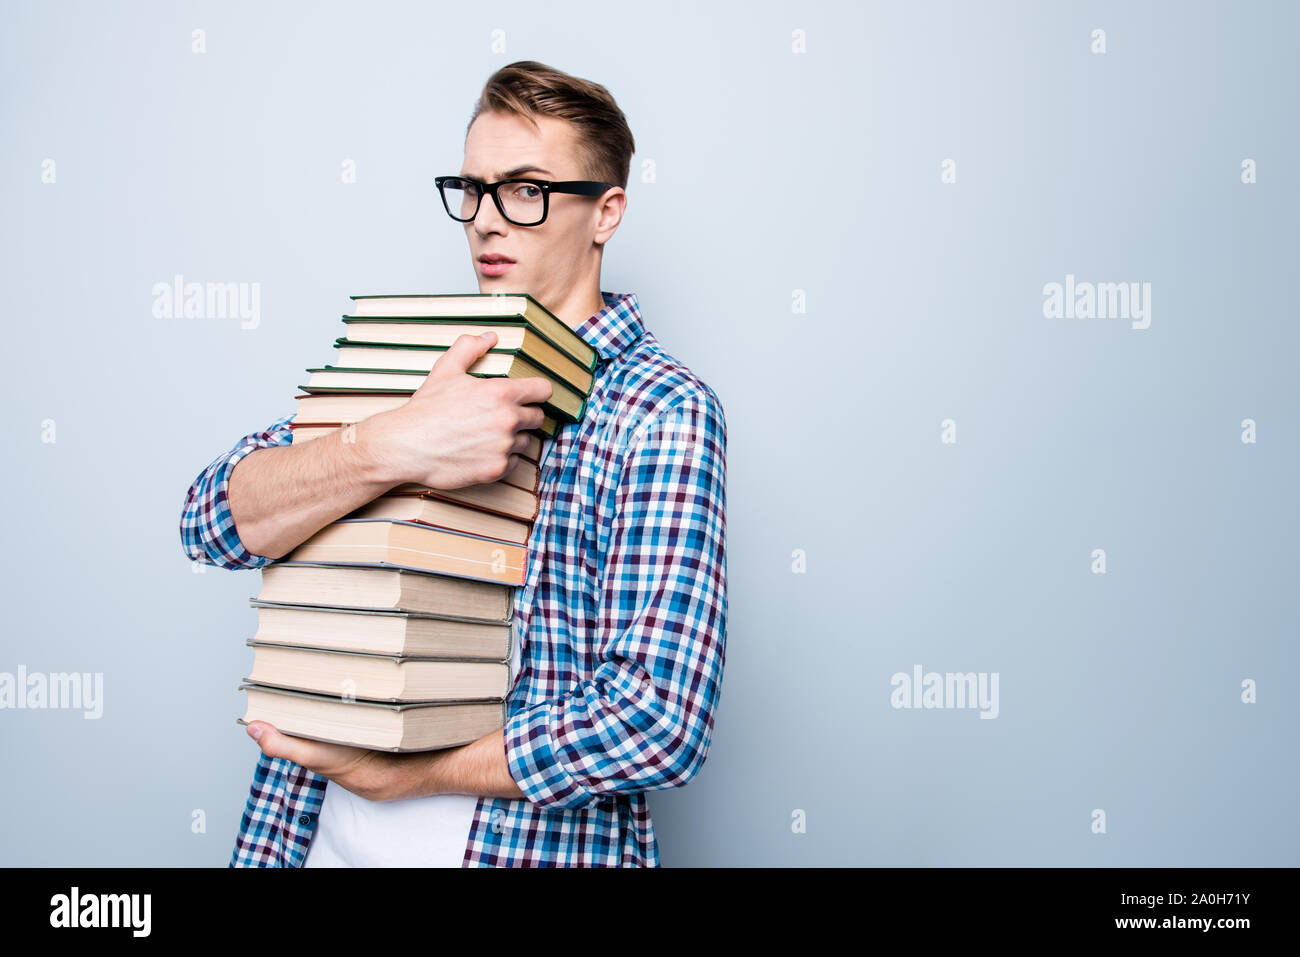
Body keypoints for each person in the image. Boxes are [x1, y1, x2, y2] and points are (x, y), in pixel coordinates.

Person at [179, 60, 728, 867]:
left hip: (522, 848)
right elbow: (212, 523)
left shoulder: (661, 411)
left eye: (526, 189)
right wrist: (397, 442)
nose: (486, 221)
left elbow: (658, 719)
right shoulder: (412, 365)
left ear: (606, 212)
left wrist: (410, 773)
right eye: (471, 189)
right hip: (306, 839)